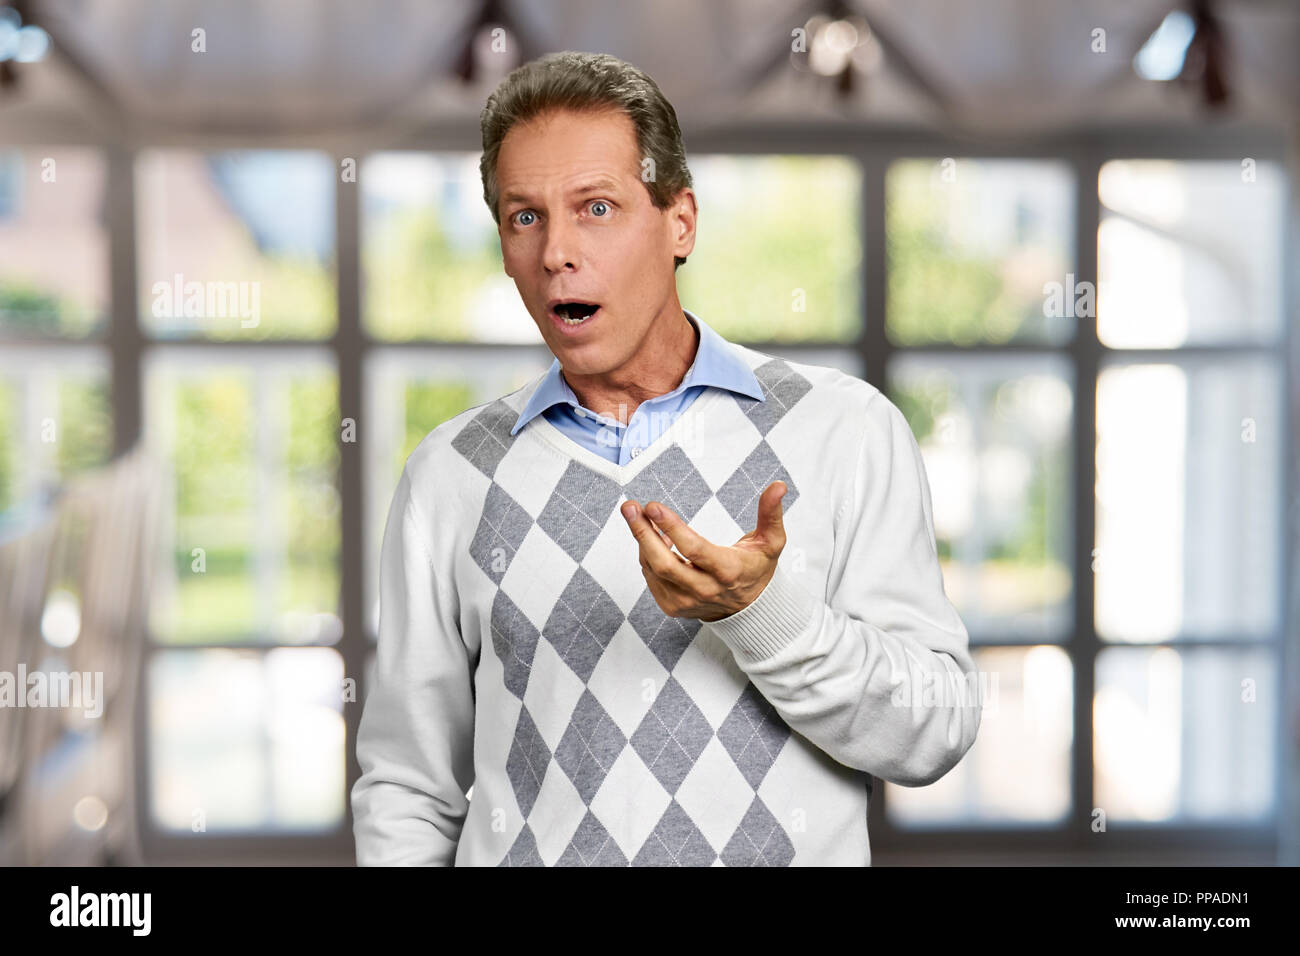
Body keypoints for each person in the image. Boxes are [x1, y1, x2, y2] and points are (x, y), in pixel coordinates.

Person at [351, 50, 981, 866]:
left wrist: (762, 613)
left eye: (597, 208)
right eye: (525, 217)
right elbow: (408, 789)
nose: (556, 254)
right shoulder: (450, 476)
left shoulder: (844, 432)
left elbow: (934, 731)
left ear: (679, 222)